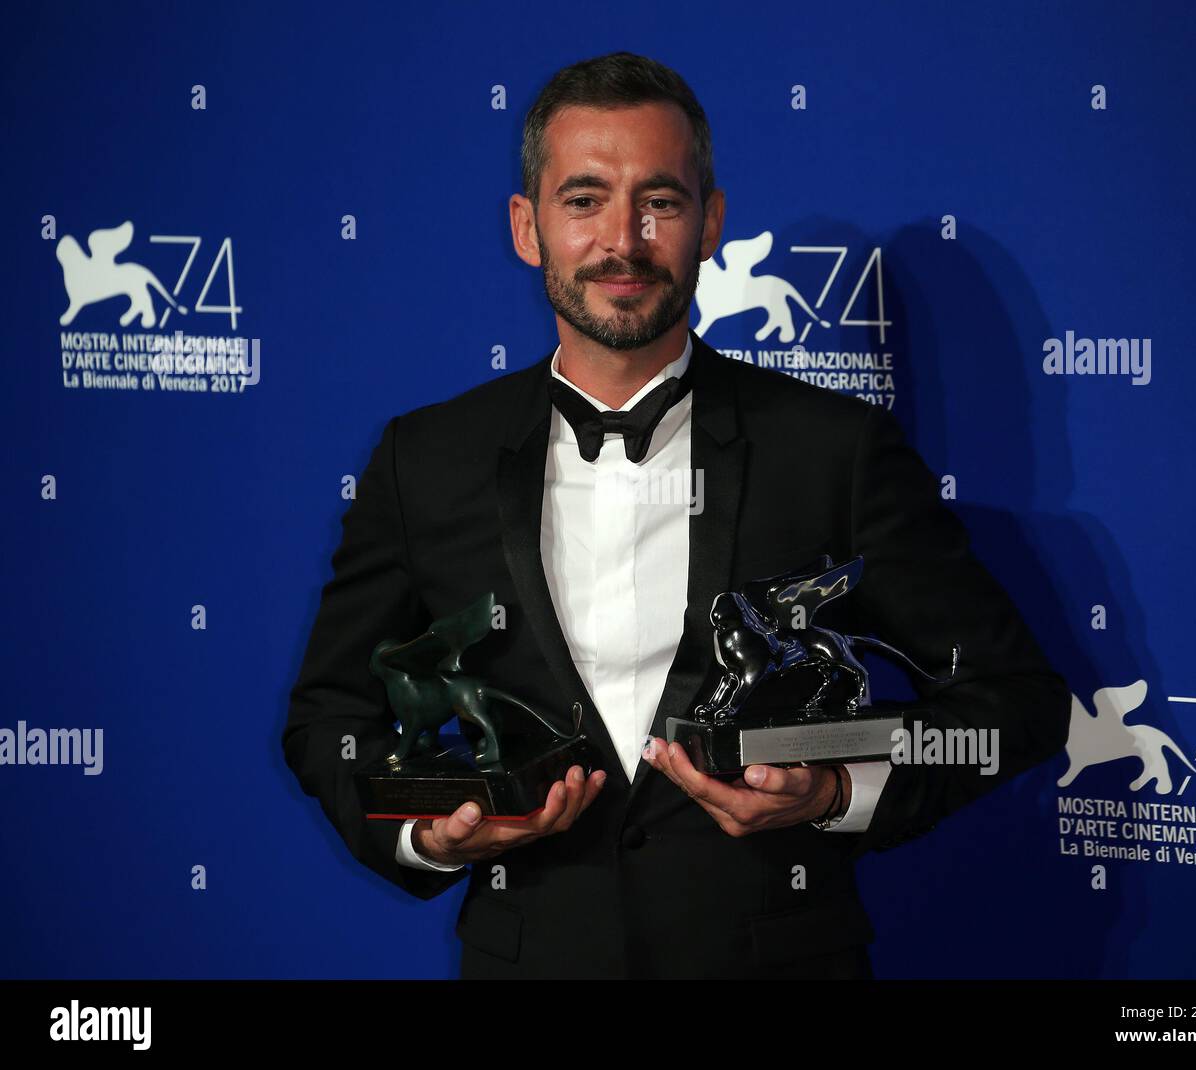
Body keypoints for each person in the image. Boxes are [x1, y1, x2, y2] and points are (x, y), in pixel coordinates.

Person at [282, 51, 1070, 979]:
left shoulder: (833, 451)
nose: (624, 239)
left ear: (712, 223)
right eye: (584, 200)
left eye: (659, 199)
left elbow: (1011, 704)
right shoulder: (425, 459)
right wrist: (424, 832)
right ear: (527, 228)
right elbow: (329, 713)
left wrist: (830, 791)